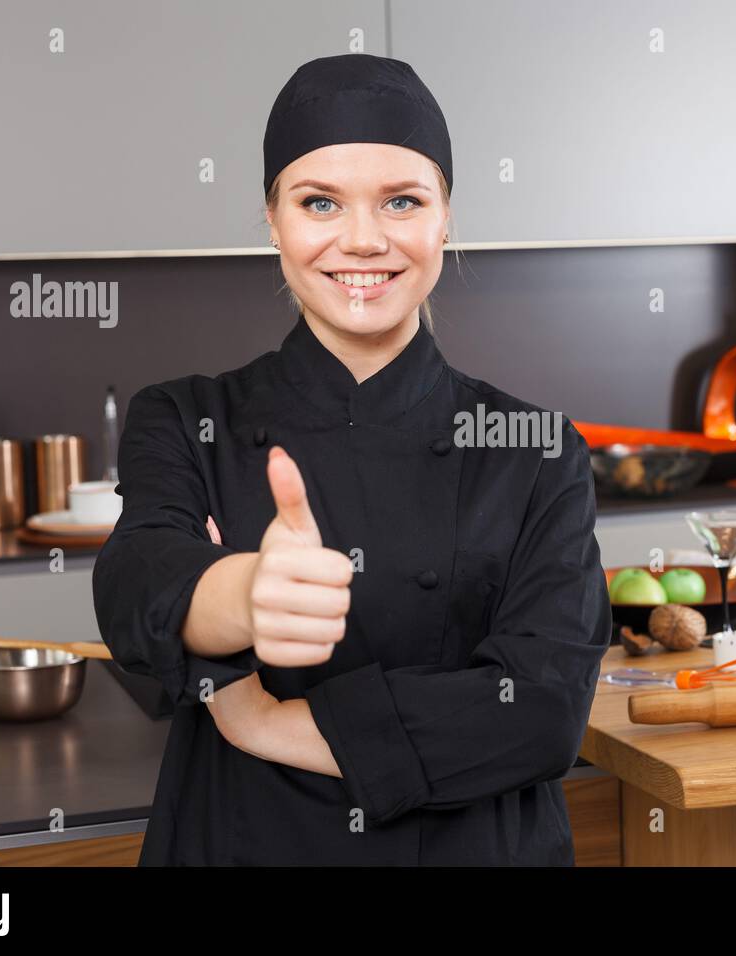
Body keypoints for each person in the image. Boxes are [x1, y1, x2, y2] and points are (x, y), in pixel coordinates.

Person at [91, 53, 612, 865]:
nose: (362, 240)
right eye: (319, 202)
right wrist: (243, 593)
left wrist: (270, 720)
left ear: (445, 218)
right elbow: (134, 584)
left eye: (402, 201)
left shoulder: (535, 448)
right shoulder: (187, 417)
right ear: (272, 218)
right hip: (246, 843)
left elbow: (542, 713)